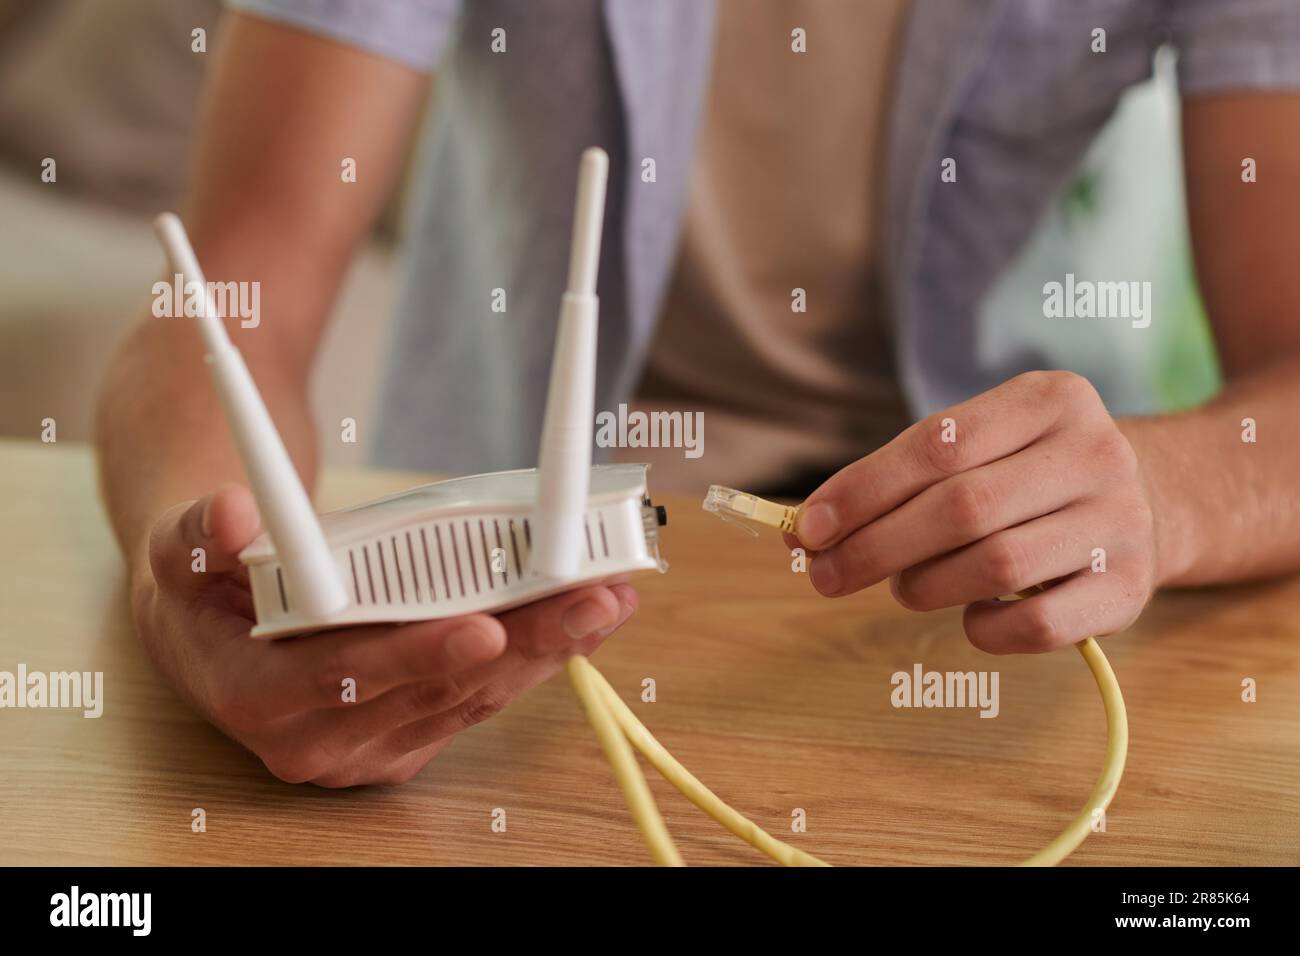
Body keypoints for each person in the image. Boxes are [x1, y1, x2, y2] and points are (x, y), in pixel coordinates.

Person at [95, 0, 1300, 787]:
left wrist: (1157, 489)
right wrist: (205, 586)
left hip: (984, 614)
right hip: (493, 621)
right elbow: (226, 304)